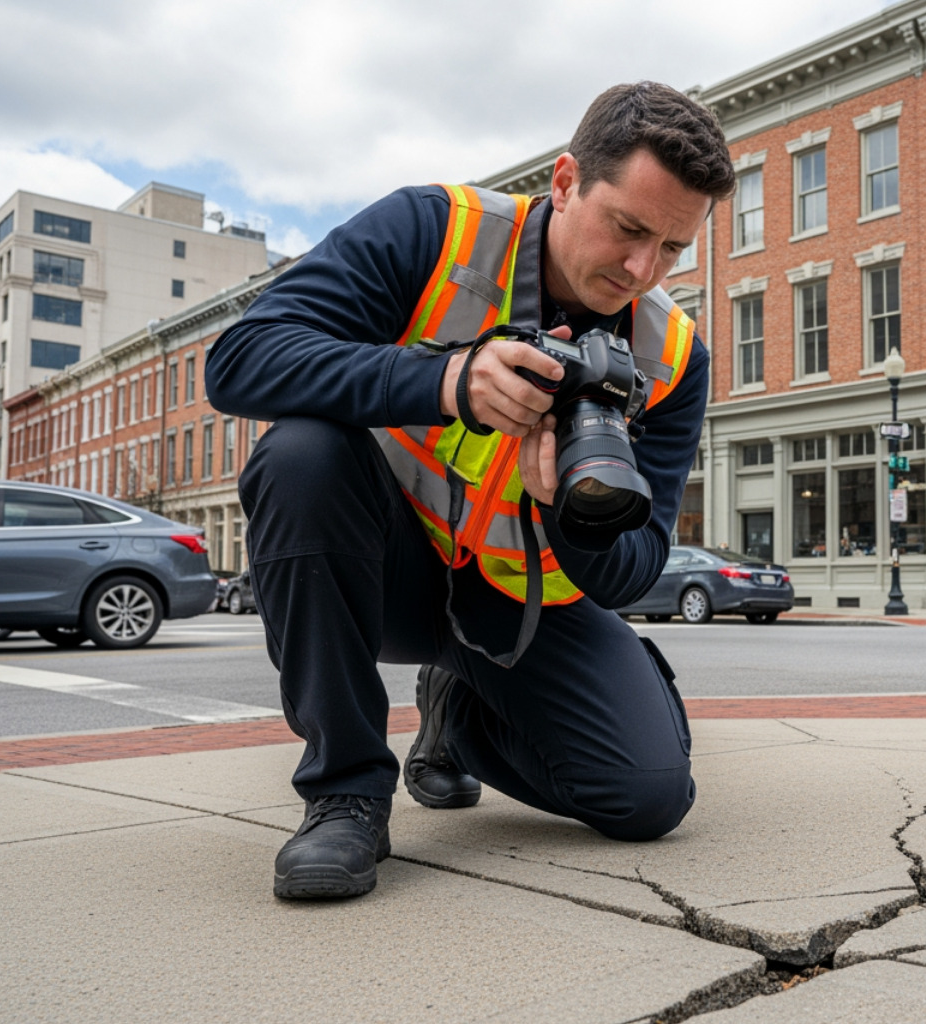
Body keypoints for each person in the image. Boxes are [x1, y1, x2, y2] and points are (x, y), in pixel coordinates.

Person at [206, 82, 735, 899]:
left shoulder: (674, 356)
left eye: (672, 248)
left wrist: (575, 513)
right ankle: (346, 793)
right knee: (301, 453)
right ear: (565, 182)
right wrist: (448, 380)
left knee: (649, 795)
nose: (642, 270)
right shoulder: (433, 230)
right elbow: (241, 360)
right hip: (387, 571)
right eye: (629, 228)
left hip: (523, 603)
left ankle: (457, 715)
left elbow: (635, 570)